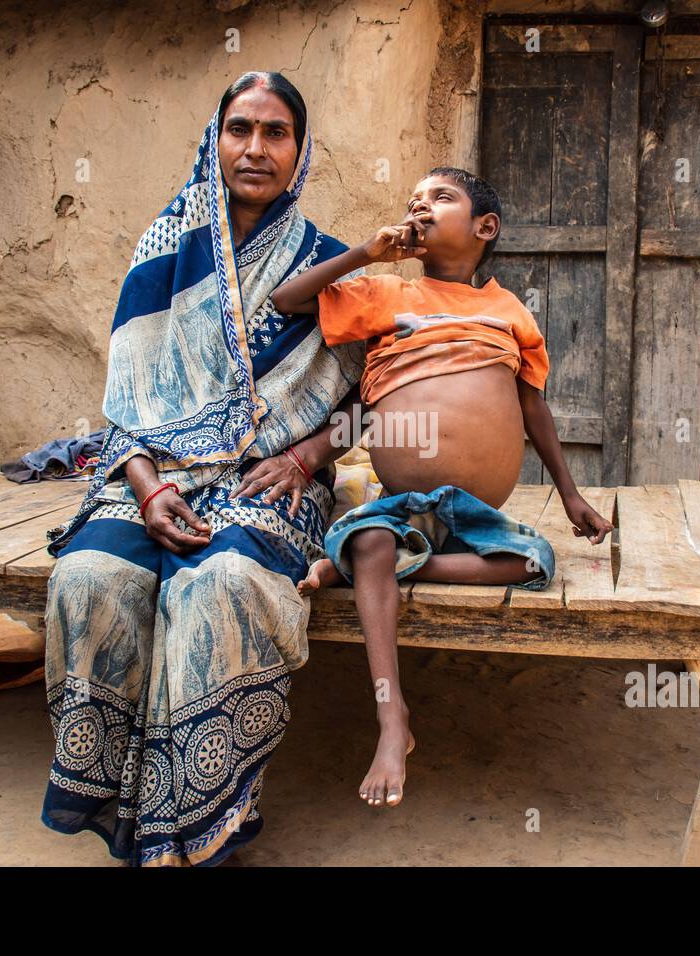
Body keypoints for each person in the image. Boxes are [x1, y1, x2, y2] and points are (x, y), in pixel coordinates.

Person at [41, 72, 366, 867]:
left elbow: (376, 404)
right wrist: (148, 489)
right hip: (156, 476)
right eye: (241, 128)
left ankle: (204, 817)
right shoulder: (163, 249)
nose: (256, 148)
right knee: (87, 577)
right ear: (214, 140)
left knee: (219, 589)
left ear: (301, 149)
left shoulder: (328, 267)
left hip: (267, 481)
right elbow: (126, 403)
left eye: (276, 132)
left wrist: (306, 454)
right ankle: (125, 807)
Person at [272, 167, 614, 809]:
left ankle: (390, 570)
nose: (421, 208)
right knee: (371, 538)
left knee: (532, 561)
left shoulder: (508, 312)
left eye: (440, 199)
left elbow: (533, 407)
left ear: (485, 227)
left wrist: (569, 494)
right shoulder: (383, 293)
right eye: (413, 202)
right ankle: (392, 717)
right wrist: (366, 253)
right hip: (405, 503)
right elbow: (289, 301)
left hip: (478, 508)